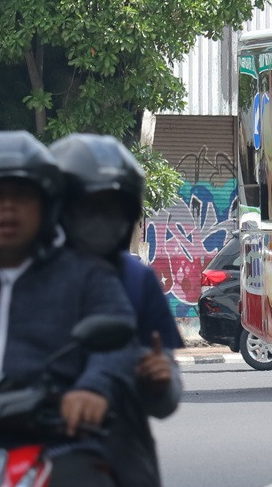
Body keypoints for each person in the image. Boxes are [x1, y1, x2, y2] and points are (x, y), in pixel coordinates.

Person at [0, 131, 137, 486]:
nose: (7, 206)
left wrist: (94, 388)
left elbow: (120, 341)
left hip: (53, 441)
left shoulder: (85, 276)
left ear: (47, 205)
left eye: (21, 195)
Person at [50, 133, 184, 487]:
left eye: (112, 207)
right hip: (24, 432)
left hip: (113, 440)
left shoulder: (136, 278)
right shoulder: (23, 274)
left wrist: (159, 381)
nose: (100, 218)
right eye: (86, 205)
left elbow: (165, 391)